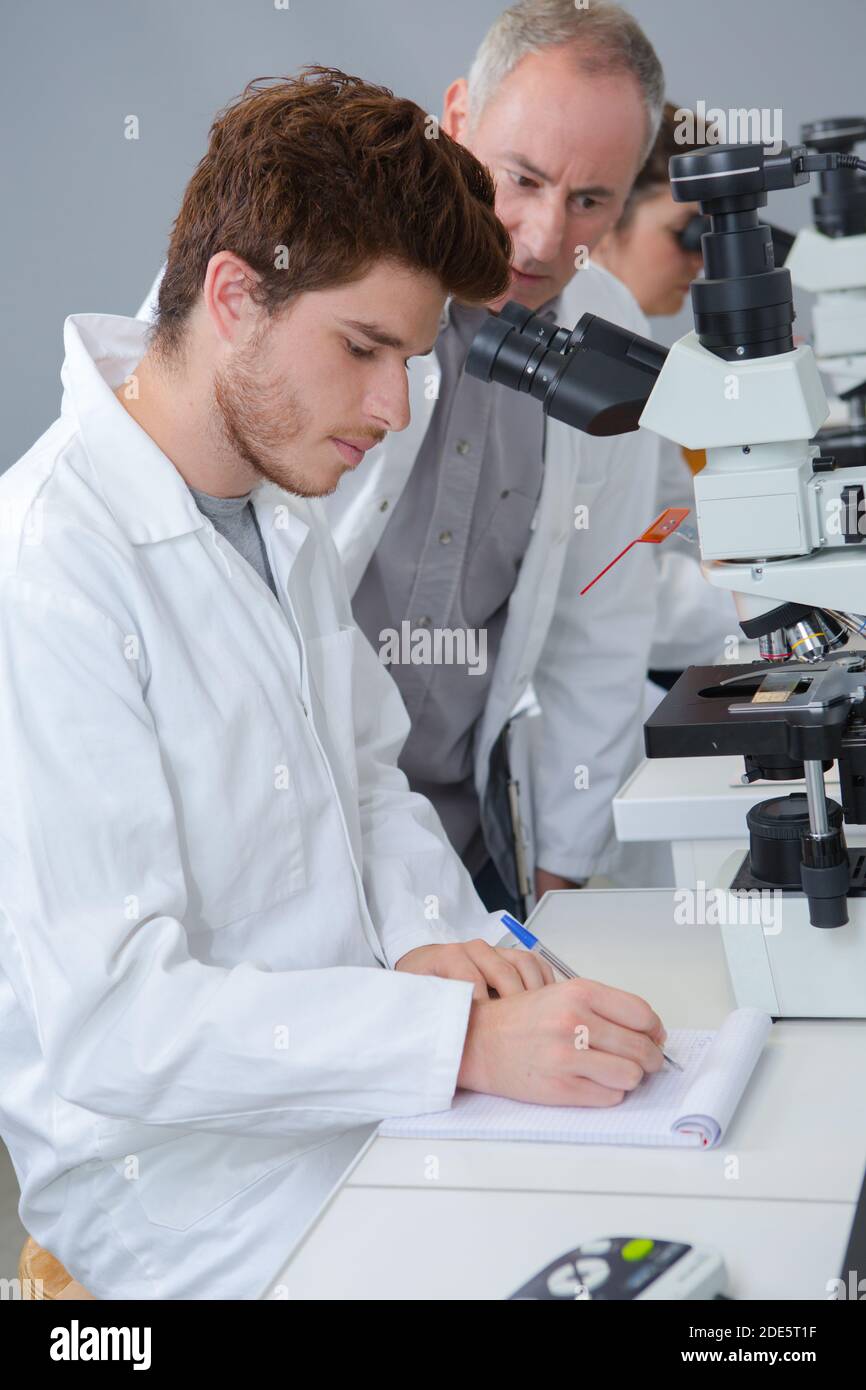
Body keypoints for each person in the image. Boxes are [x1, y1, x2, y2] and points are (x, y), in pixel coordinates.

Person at [0, 68, 668, 1302]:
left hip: (346, 1091)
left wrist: (448, 948)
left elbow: (364, 778)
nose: (388, 406)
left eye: (410, 359)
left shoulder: (271, 509)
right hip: (183, 1187)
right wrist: (453, 1038)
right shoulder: (50, 569)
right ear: (234, 294)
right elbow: (115, 1030)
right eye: (362, 348)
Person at [137, 0, 666, 915]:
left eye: (591, 201)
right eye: (523, 178)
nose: (541, 239)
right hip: (273, 831)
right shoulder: (297, 276)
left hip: (451, 841)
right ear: (457, 119)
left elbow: (600, 631)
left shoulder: (608, 340)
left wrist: (561, 898)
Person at [593, 101, 739, 696]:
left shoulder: (635, 348)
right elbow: (613, 586)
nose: (701, 261)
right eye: (685, 233)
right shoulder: (589, 367)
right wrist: (758, 606)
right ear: (605, 217)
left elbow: (671, 525)